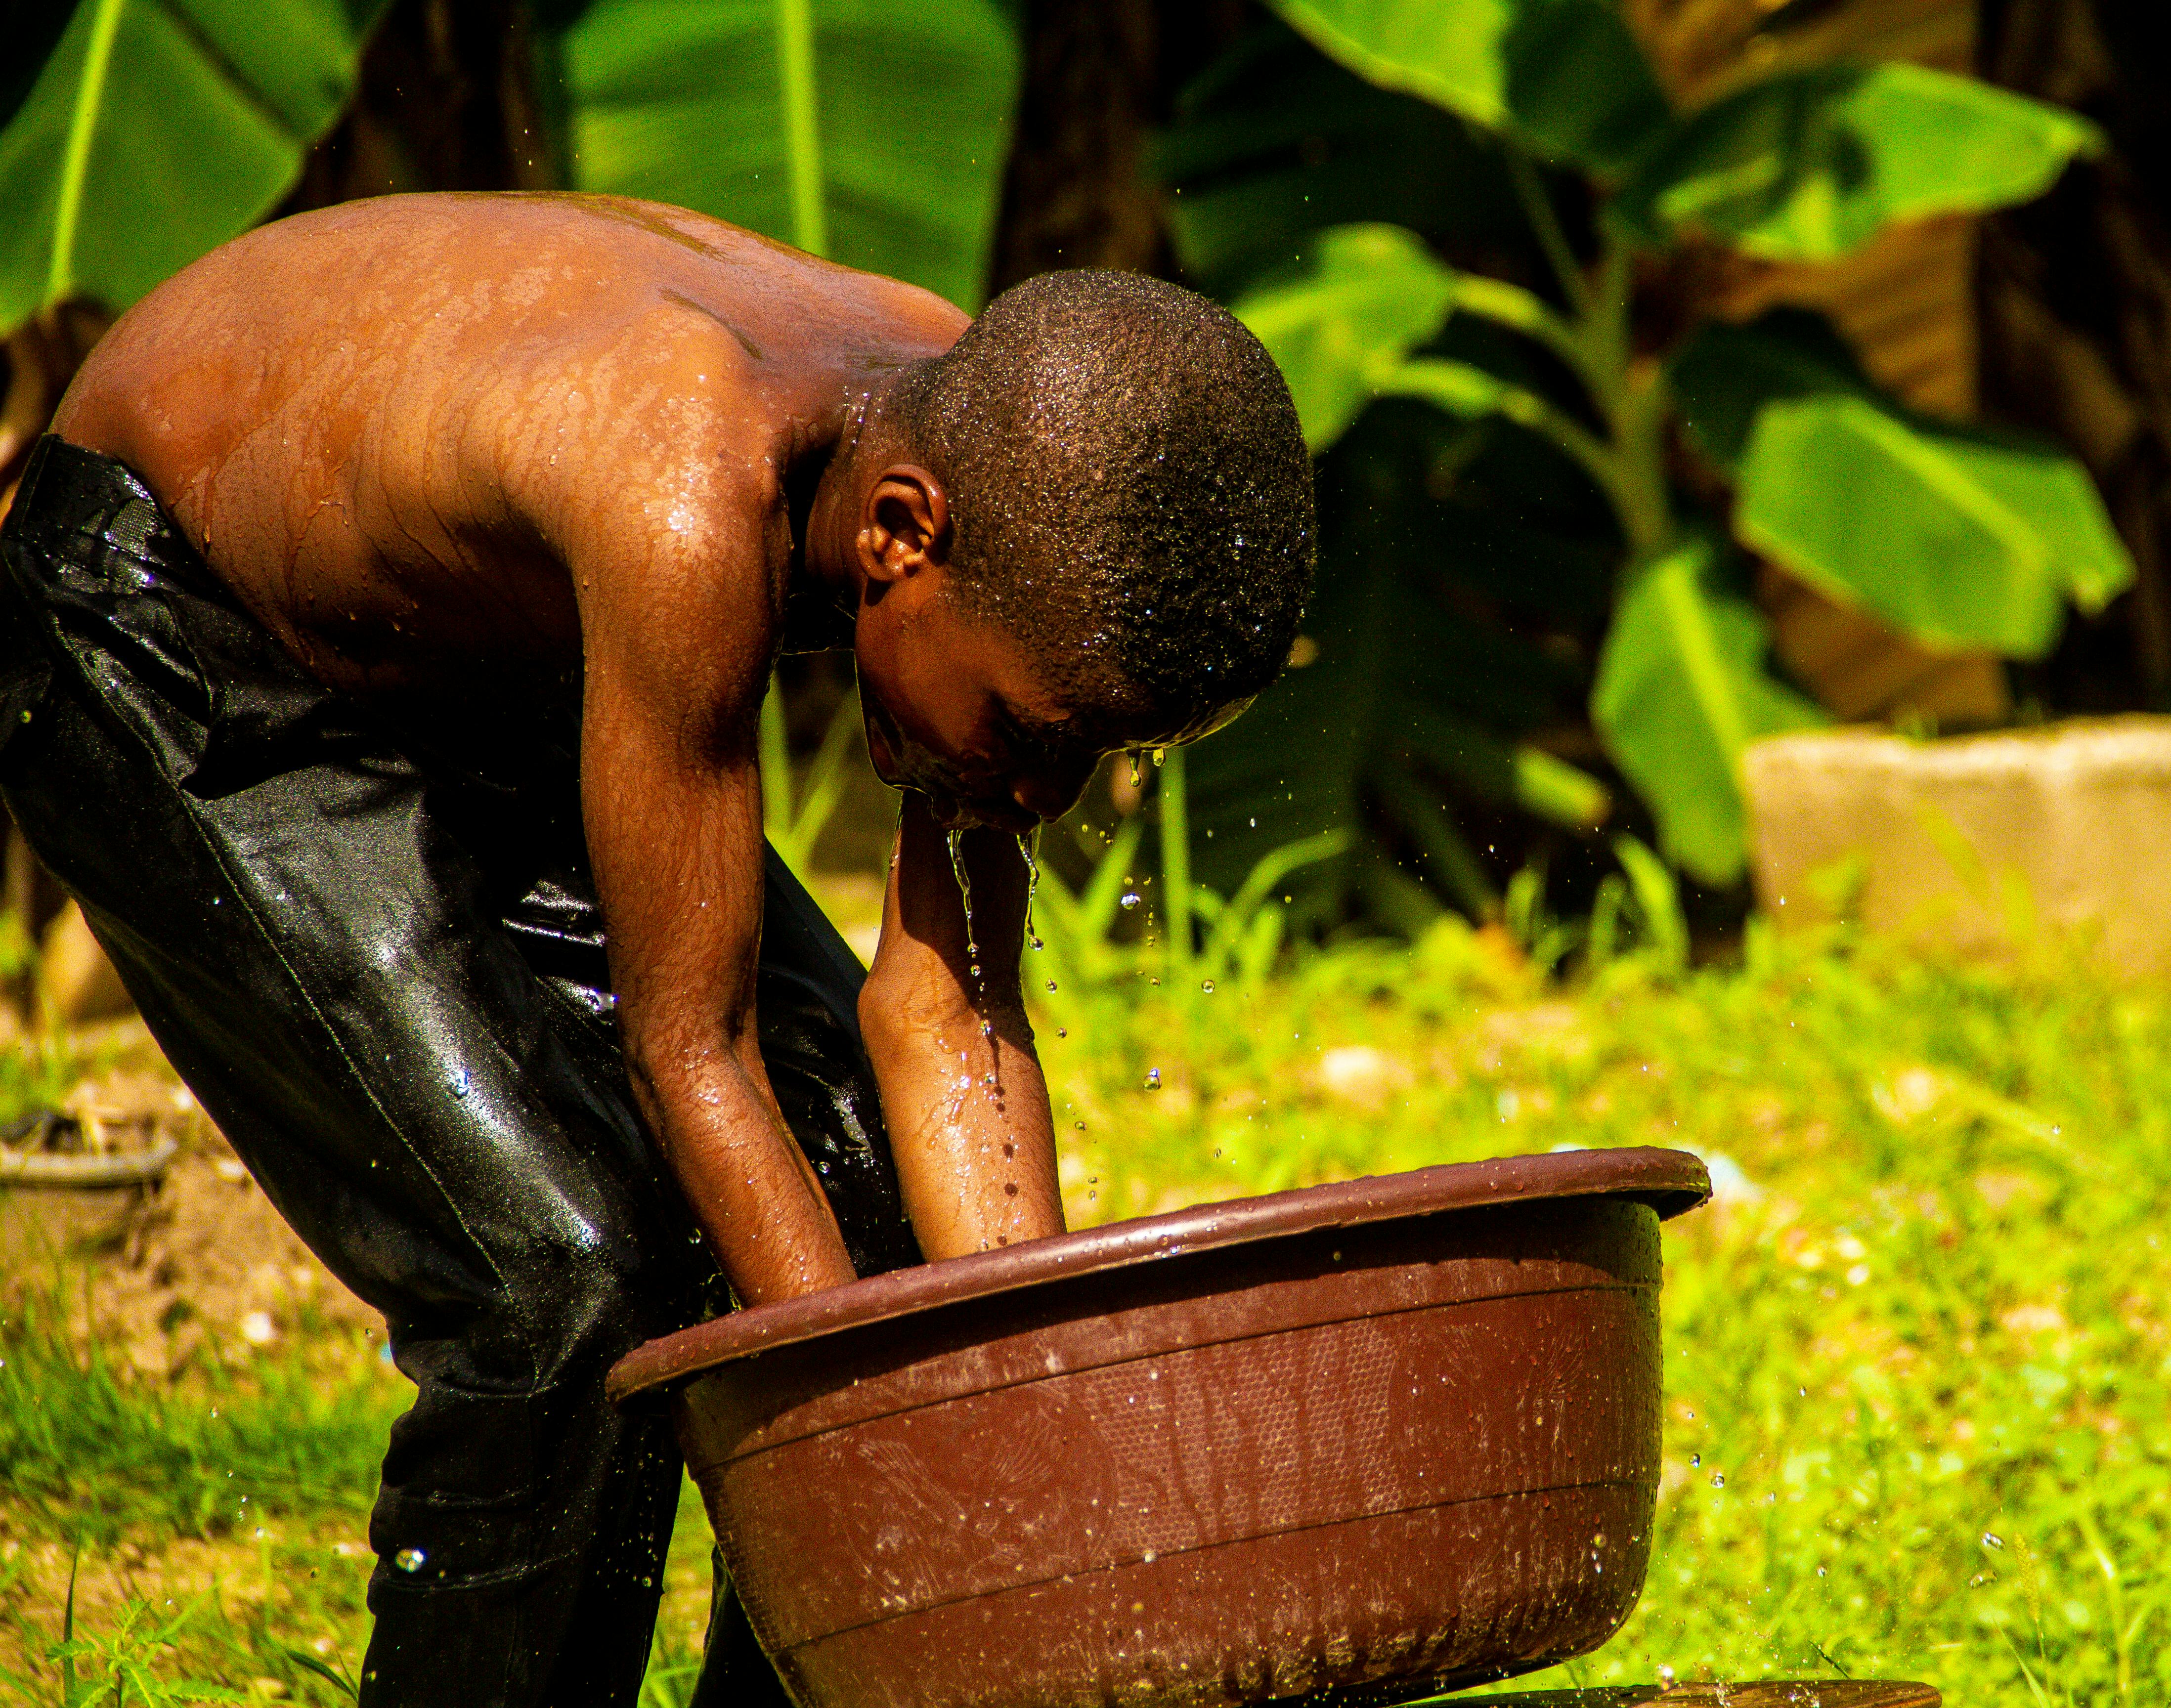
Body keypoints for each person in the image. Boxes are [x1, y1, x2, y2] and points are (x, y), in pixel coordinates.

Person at [0, 192, 1314, 1706]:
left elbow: (948, 1016)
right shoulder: (692, 486)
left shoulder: (1002, 458)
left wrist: (1011, 1413)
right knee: (559, 1284)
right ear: (898, 540)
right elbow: (690, 1053)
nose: (1038, 796)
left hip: (478, 657)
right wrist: (885, 1439)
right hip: (171, 623)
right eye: (1031, 736)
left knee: (869, 1194)